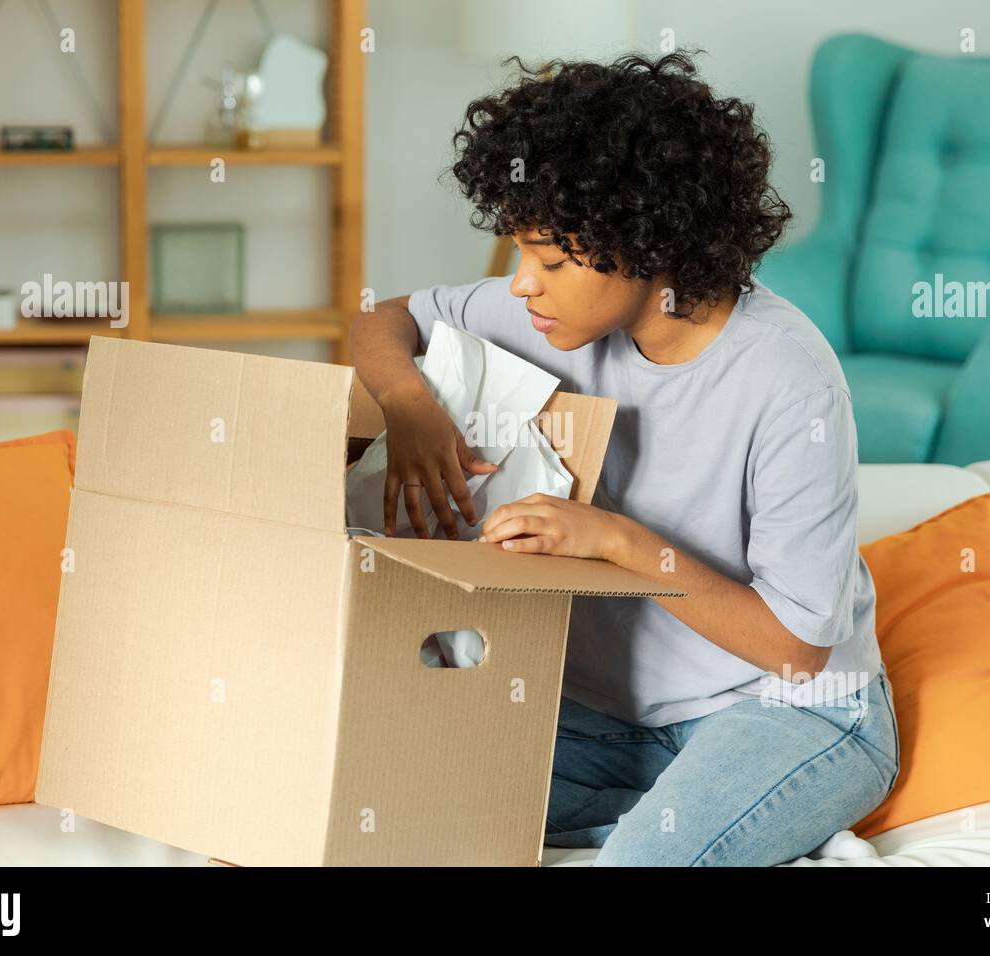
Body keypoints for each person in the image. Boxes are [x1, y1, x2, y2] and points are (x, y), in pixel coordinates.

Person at [349, 50, 898, 866]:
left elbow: (795, 648)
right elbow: (382, 319)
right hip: (603, 720)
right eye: (522, 253)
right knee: (360, 800)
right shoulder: (550, 315)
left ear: (647, 240)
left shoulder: (787, 378)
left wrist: (615, 541)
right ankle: (651, 809)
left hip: (789, 706)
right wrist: (408, 403)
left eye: (551, 261)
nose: (522, 285)